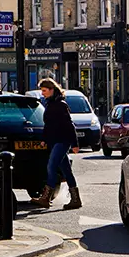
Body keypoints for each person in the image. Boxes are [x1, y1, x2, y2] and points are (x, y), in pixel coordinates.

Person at [34, 77, 80, 210]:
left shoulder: (60, 104)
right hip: (55, 141)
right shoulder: (50, 103)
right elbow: (49, 125)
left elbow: (69, 125)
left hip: (62, 140)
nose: (42, 93)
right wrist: (44, 139)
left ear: (52, 89)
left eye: (44, 90)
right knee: (66, 170)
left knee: (51, 166)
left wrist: (75, 143)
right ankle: (76, 199)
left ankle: (46, 198)